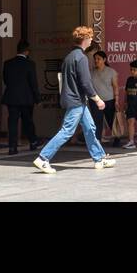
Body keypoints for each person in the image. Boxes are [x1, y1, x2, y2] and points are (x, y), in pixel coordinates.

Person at [33, 26, 115, 174]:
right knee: (66, 131)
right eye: (90, 37)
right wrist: (97, 99)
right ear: (84, 39)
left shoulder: (69, 57)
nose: (91, 40)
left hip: (75, 100)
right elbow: (85, 83)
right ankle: (43, 158)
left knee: (90, 128)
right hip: (77, 101)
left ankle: (99, 158)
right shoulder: (81, 58)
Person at [0, 39, 40, 155]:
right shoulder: (30, 64)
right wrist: (37, 98)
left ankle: (12, 147)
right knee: (28, 121)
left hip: (11, 97)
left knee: (12, 122)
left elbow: (6, 80)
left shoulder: (8, 63)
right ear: (27, 51)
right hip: (26, 98)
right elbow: (33, 82)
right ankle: (33, 141)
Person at [88, 49, 119, 145]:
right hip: (95, 101)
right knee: (97, 121)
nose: (96, 61)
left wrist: (117, 101)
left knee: (111, 121)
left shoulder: (111, 72)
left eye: (99, 59)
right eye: (95, 59)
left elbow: (115, 86)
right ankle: (97, 141)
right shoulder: (91, 72)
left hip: (109, 100)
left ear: (104, 59)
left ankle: (117, 139)